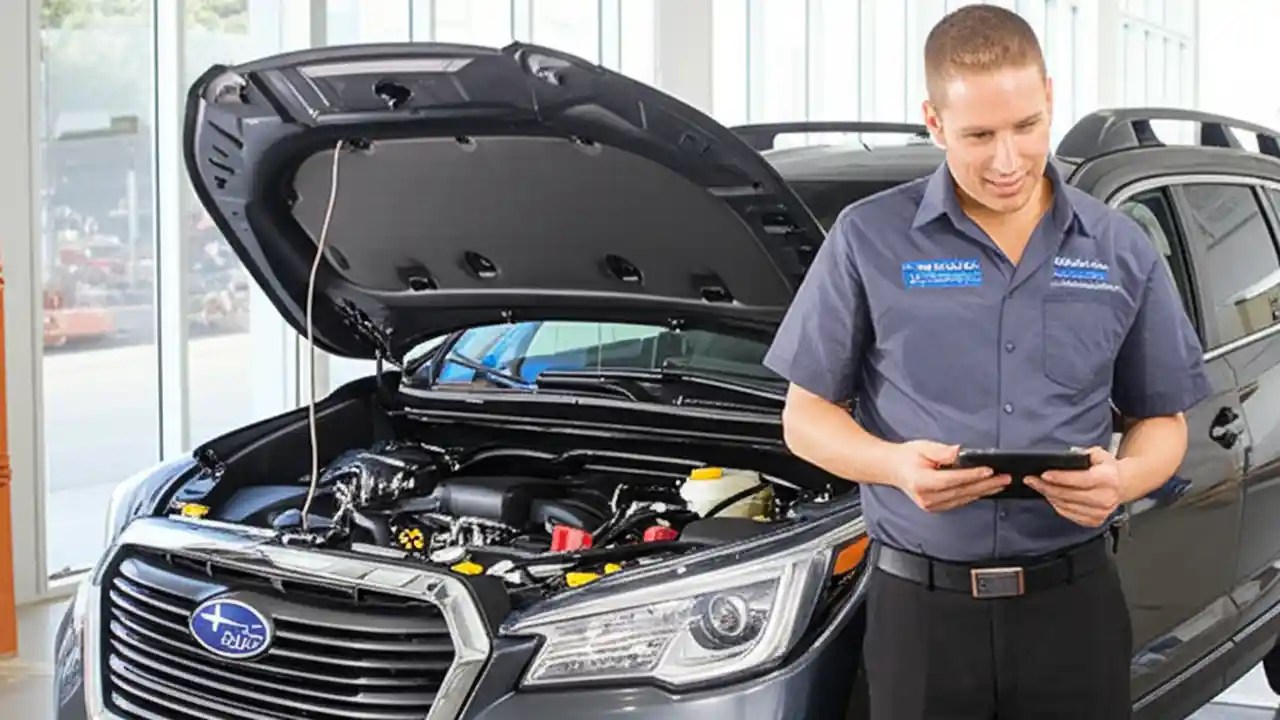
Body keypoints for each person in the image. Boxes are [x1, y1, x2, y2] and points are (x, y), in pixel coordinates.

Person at [762, 5, 1211, 719]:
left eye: (1027, 126)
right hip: (922, 615)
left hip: (1073, 608)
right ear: (934, 122)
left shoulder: (1119, 248)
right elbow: (805, 418)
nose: (1007, 160)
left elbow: (1163, 419)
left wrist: (1123, 479)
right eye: (978, 135)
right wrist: (896, 467)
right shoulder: (867, 240)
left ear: (1050, 99)